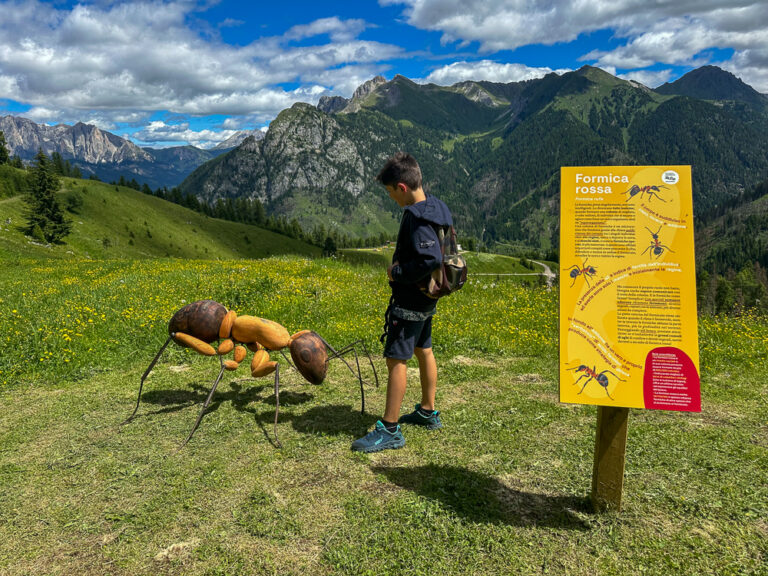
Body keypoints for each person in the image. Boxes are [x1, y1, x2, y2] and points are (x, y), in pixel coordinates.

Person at [351, 152, 453, 453]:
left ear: (402, 187)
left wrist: (397, 272)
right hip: (428, 298)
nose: (391, 198)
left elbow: (430, 257)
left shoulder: (415, 216)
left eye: (390, 192)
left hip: (409, 302)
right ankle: (427, 410)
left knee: (396, 360)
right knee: (424, 349)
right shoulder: (437, 208)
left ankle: (390, 428)